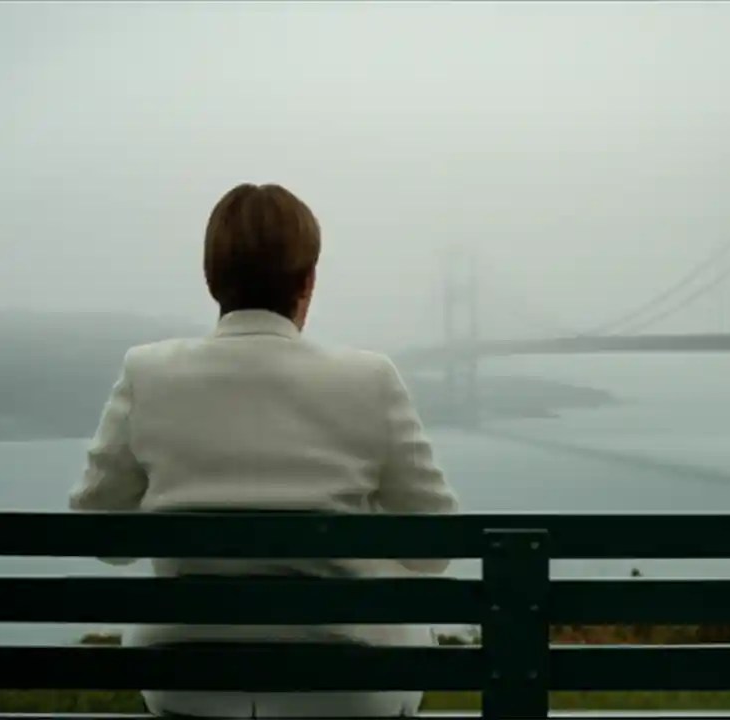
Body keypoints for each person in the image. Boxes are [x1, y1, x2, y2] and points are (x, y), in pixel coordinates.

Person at [69, 183, 459, 718]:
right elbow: (433, 551)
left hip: (185, 682)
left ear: (212, 281)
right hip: (346, 689)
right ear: (309, 280)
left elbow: (102, 535)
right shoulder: (369, 379)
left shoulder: (147, 373)